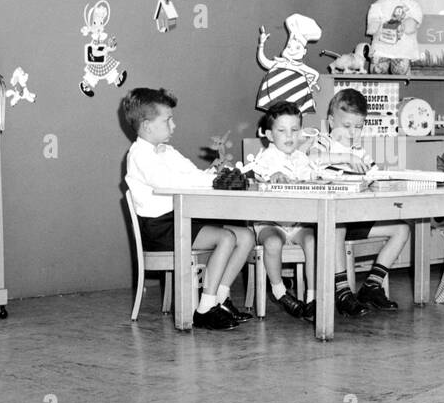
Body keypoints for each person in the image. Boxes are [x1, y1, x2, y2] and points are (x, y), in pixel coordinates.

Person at [122, 87, 255, 331]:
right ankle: (204, 309)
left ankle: (220, 298)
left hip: (179, 220)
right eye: (168, 120)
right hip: (159, 228)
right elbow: (168, 183)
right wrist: (211, 180)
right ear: (147, 125)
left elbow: (194, 175)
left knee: (246, 236)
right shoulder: (139, 155)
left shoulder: (168, 151)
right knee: (226, 237)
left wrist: (219, 177)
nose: (173, 126)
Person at [308, 88, 412, 315]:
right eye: (346, 126)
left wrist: (382, 178)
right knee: (339, 224)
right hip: (329, 222)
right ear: (331, 121)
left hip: (357, 219)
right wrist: (345, 157)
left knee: (402, 229)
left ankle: (371, 287)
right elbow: (311, 160)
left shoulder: (360, 151)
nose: (352, 133)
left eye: (358, 126)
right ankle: (342, 290)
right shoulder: (324, 143)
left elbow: (375, 177)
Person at [250, 102, 319, 320]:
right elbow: (259, 172)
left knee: (313, 241)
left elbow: (312, 177)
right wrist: (273, 176)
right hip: (271, 223)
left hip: (297, 223)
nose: (289, 136)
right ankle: (279, 291)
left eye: (295, 130)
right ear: (270, 135)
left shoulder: (302, 158)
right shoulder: (265, 158)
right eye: (282, 131)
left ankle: (312, 297)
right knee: (272, 243)